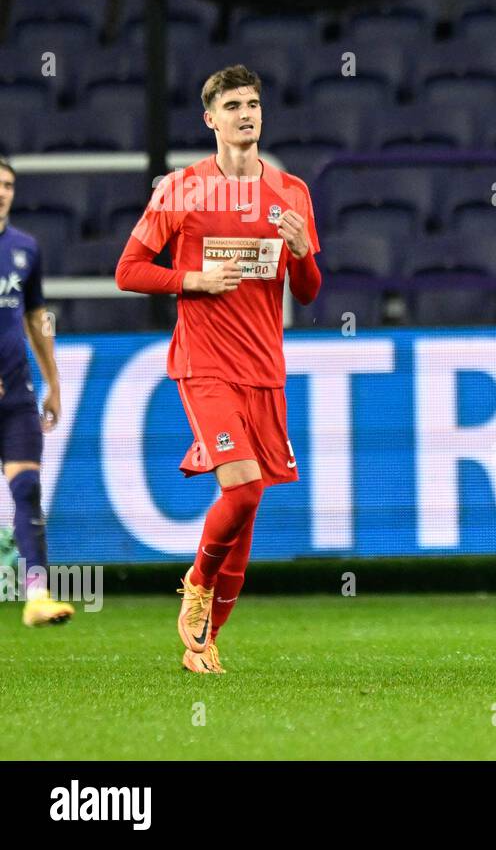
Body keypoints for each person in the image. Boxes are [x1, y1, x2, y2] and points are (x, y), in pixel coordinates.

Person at [115, 65, 322, 675]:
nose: (246, 114)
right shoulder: (180, 190)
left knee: (248, 505)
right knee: (244, 485)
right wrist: (193, 280)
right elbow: (129, 270)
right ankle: (198, 581)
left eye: (253, 103)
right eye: (232, 105)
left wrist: (304, 252)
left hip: (265, 367)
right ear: (210, 119)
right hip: (204, 363)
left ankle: (204, 641)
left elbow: (307, 293)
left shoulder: (292, 193)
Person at [0, 158, 70, 627]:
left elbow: (36, 318)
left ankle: (37, 595)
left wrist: (54, 382)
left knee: (26, 488)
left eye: (7, 185)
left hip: (17, 396)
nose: (2, 192)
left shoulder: (26, 248)